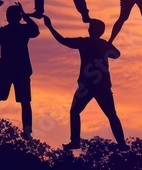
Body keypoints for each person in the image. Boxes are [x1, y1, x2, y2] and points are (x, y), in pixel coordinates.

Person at [41, 15, 127, 150]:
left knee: (76, 112)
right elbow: (116, 54)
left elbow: (62, 40)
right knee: (109, 114)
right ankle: (121, 143)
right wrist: (107, 44)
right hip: (98, 85)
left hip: (89, 85)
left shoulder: (84, 42)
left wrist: (50, 26)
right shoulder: (101, 44)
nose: (89, 29)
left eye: (91, 27)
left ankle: (76, 141)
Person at [0, 2, 39, 137]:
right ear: (19, 17)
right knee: (24, 102)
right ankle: (27, 129)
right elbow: (35, 30)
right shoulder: (23, 30)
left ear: (7, 17)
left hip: (8, 70)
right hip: (19, 70)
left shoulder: (6, 31)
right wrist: (25, 16)